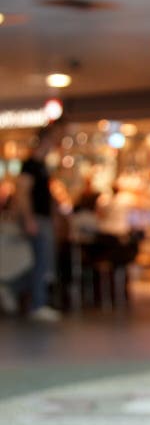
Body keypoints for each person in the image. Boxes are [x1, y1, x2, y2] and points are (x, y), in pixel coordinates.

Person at [13, 123, 62, 321]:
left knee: (42, 262)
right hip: (37, 220)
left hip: (43, 219)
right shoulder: (31, 165)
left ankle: (17, 290)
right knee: (40, 262)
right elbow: (22, 193)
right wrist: (29, 219)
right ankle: (37, 303)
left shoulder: (42, 166)